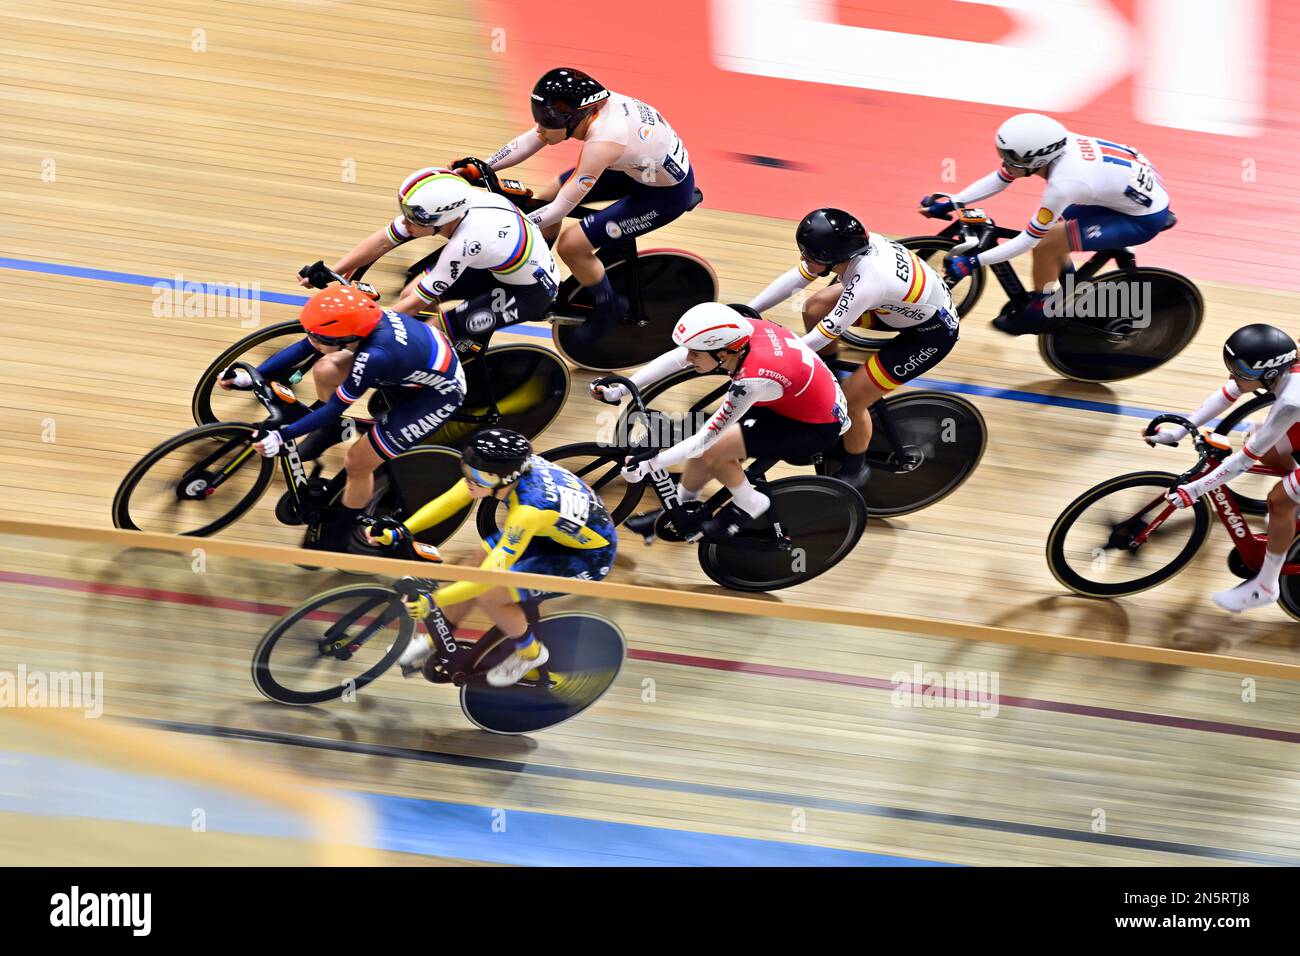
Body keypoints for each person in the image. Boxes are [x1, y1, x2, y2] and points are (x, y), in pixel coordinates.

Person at [367, 429, 618, 687]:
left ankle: (531, 654)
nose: (469, 479)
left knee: (492, 595)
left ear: (503, 477)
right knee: (473, 562)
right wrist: (402, 530)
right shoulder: (503, 473)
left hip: (587, 558)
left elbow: (485, 581)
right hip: (552, 534)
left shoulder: (528, 510)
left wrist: (433, 601)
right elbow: (452, 500)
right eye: (467, 468)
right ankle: (435, 640)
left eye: (477, 475)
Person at [227, 285, 466, 552]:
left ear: (345, 336)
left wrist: (282, 436)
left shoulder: (374, 355)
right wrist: (253, 376)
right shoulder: (361, 322)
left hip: (437, 396)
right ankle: (331, 430)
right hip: (415, 365)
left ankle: (341, 533)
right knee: (326, 369)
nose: (312, 339)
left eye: (319, 336)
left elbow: (333, 405)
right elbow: (306, 346)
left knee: (358, 462)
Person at [468, 68, 698, 345]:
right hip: (639, 168)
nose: (542, 125)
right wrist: (480, 168)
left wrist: (514, 226)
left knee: (572, 244)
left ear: (574, 116)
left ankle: (609, 305)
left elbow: (560, 209)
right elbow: (535, 137)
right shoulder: (591, 107)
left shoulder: (604, 140)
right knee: (548, 193)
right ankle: (531, 267)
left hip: (664, 195)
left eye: (549, 119)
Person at [592, 302, 848, 538]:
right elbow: (675, 359)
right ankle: (678, 512)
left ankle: (752, 503)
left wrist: (650, 465)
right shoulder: (743, 336)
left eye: (695, 353)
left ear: (724, 353)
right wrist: (622, 389)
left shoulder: (750, 381)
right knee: (706, 447)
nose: (689, 358)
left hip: (812, 425)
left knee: (714, 449)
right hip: (793, 397)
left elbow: (705, 441)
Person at [744, 208, 958, 487]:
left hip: (930, 335)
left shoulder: (868, 282)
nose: (802, 258)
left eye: (808, 254)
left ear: (831, 257)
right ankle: (828, 375)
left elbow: (821, 336)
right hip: (895, 308)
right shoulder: (851, 250)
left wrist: (772, 356)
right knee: (815, 307)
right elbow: (798, 279)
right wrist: (749, 310)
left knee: (851, 400)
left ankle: (855, 468)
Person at [924, 113, 1173, 334]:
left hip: (1140, 218)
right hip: (1123, 190)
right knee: (1055, 230)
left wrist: (974, 261)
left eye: (1011, 157)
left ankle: (1040, 308)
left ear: (1037, 159)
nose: (1005, 161)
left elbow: (1028, 240)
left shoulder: (1064, 184)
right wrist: (954, 202)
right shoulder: (1054, 145)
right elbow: (1002, 177)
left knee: (1047, 242)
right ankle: (1071, 287)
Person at [300, 166, 558, 361]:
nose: (407, 223)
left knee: (436, 330)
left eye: (413, 219)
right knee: (409, 292)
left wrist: (363, 334)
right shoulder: (451, 212)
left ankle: (442, 376)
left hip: (529, 291)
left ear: (442, 218)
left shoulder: (466, 241)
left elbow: (415, 305)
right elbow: (382, 240)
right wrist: (335, 270)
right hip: (494, 266)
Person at [1152, 324, 1300, 612]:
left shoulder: (1291, 401)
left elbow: (1244, 461)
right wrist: (1177, 433)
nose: (1232, 375)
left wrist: (1193, 490)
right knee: (1264, 441)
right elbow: (1228, 392)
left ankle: (1265, 586)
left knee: (1278, 501)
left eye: (1240, 371)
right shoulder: (1283, 366)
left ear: (1268, 374)